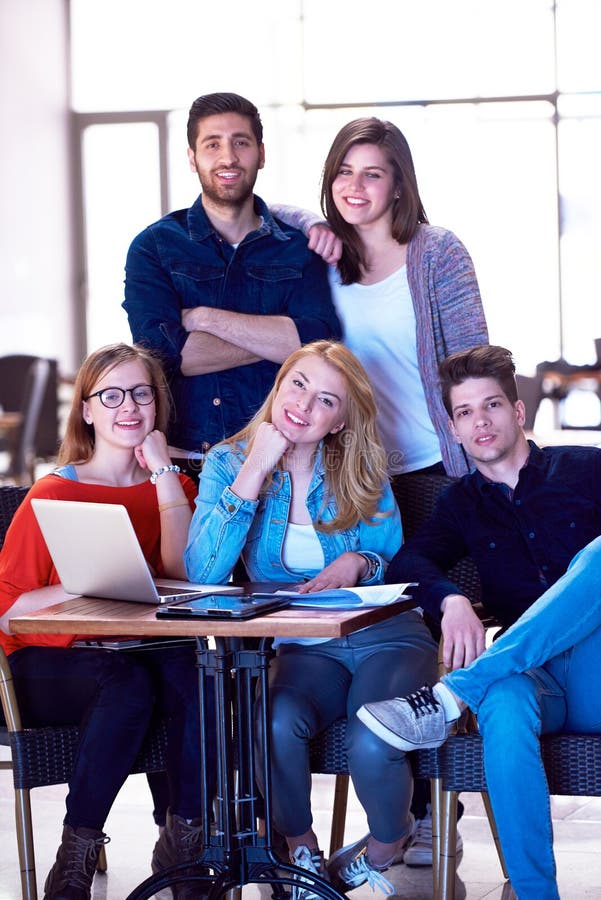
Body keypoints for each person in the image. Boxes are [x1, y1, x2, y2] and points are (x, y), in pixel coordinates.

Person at [273, 114, 488, 863]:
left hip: (434, 471)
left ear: (399, 183)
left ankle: (428, 811)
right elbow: (263, 208)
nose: (356, 187)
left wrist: (483, 460)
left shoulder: (436, 253)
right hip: (354, 475)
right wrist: (307, 220)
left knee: (425, 642)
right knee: (364, 635)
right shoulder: (320, 258)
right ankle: (394, 807)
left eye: (373, 173)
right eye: (343, 172)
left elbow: (470, 361)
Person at [184, 339, 439, 897]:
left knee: (373, 730)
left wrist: (359, 561)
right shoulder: (227, 461)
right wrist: (256, 466)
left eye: (326, 399)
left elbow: (392, 558)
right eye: (297, 384)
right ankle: (302, 857)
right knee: (272, 721)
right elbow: (203, 570)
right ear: (279, 385)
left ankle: (386, 845)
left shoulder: (359, 463)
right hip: (304, 647)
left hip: (385, 636)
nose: (303, 404)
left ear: (339, 420)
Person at [355, 344, 601, 900]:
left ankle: (452, 694)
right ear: (455, 429)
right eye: (465, 412)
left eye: (491, 405)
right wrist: (451, 601)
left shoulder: (586, 468)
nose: (480, 421)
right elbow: (409, 564)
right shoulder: (460, 504)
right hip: (534, 679)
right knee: (505, 700)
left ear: (517, 411)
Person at [0, 343, 213, 900]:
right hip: (48, 664)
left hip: (142, 651)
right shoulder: (52, 493)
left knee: (200, 674)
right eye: (111, 396)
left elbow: (182, 574)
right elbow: (9, 610)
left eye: (141, 393)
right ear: (87, 410)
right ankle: (74, 858)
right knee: (127, 683)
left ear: (157, 404)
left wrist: (163, 472)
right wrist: (87, 584)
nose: (129, 407)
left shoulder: (176, 489)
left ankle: (185, 848)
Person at [123, 91, 341, 473]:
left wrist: (205, 319)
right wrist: (278, 341)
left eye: (240, 142)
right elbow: (165, 355)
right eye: (212, 144)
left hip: (283, 464)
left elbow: (317, 343)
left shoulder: (298, 250)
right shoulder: (153, 247)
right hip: (184, 463)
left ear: (261, 153)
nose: (228, 157)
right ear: (192, 158)